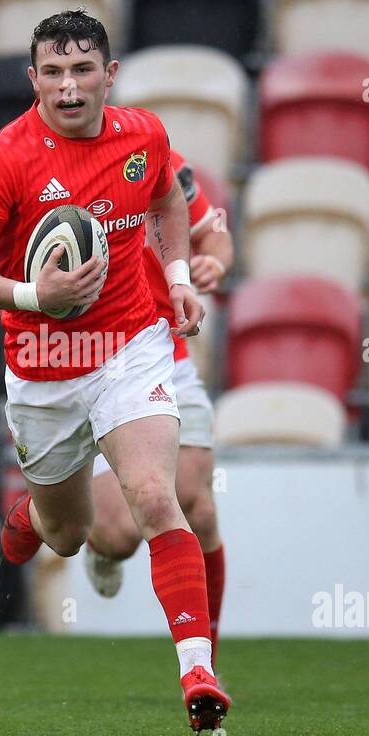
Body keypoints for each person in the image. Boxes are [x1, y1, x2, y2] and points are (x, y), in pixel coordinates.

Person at [0, 10, 230, 732]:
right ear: (34, 79)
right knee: (68, 534)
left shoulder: (143, 136)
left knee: (160, 495)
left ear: (109, 74)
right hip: (44, 367)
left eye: (83, 70)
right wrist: (39, 296)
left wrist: (179, 273)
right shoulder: (0, 160)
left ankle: (199, 671)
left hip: (132, 346)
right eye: (54, 73)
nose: (69, 87)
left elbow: (167, 195)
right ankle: (33, 513)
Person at [81, 149, 232, 673]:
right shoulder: (38, 164)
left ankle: (202, 657)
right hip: (86, 363)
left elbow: (215, 234)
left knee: (199, 504)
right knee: (121, 535)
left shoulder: (156, 159)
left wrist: (212, 261)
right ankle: (98, 547)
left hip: (165, 356)